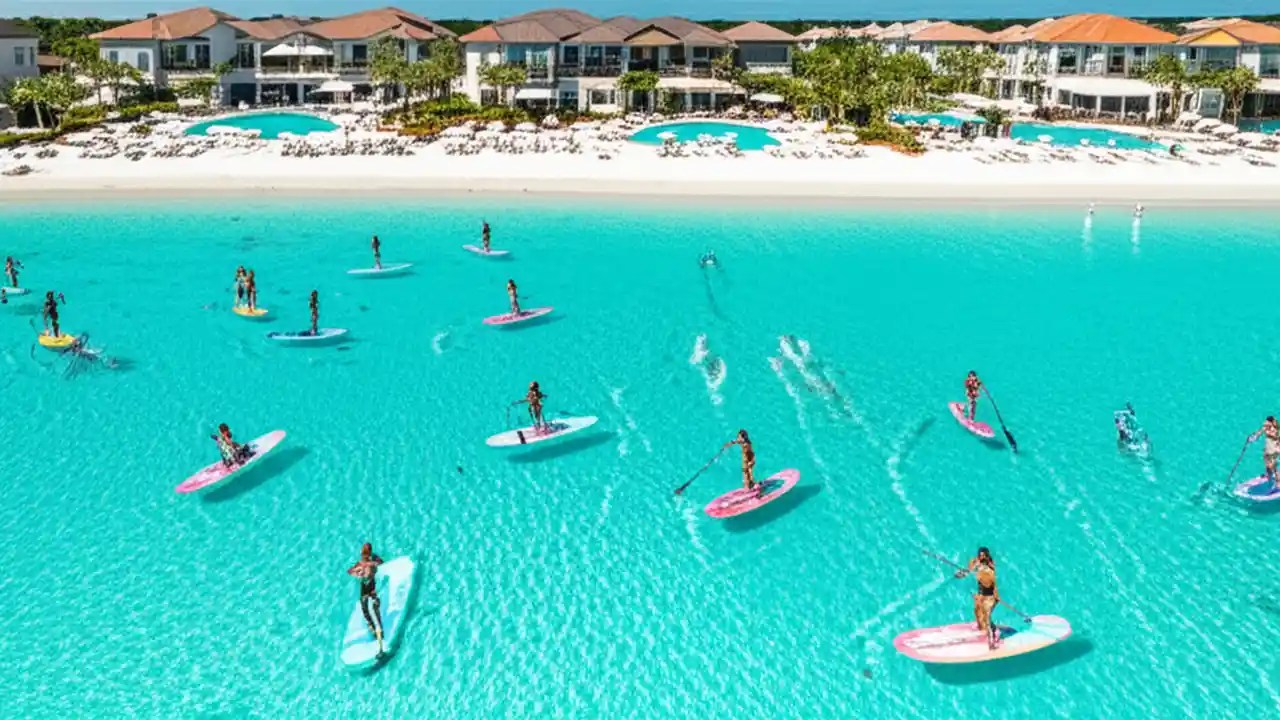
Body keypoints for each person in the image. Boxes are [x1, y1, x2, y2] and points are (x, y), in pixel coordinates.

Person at [954, 547, 1001, 649]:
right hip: (980, 594)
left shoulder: (991, 567)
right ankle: (987, 629)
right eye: (980, 555)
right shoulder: (975, 562)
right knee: (977, 612)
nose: (982, 557)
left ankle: (991, 643)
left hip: (989, 596)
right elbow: (968, 571)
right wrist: (961, 574)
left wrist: (996, 596)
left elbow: (994, 583)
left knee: (986, 618)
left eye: (984, 556)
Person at [348, 543, 385, 652]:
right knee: (365, 609)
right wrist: (358, 573)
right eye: (363, 555)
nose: (363, 557)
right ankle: (373, 628)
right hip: (365, 590)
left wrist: (369, 564)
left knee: (374, 611)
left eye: (365, 555)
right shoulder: (360, 563)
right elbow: (350, 571)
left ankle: (380, 641)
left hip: (372, 590)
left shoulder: (373, 560)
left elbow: (380, 563)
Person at [1250, 416, 1280, 487]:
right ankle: (1269, 477)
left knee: (1273, 466)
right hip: (1267, 449)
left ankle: (1278, 482)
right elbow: (1259, 433)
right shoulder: (1265, 427)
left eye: (1267, 422)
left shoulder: (1276, 429)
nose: (1266, 423)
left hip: (1274, 449)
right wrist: (1253, 438)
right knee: (1267, 466)